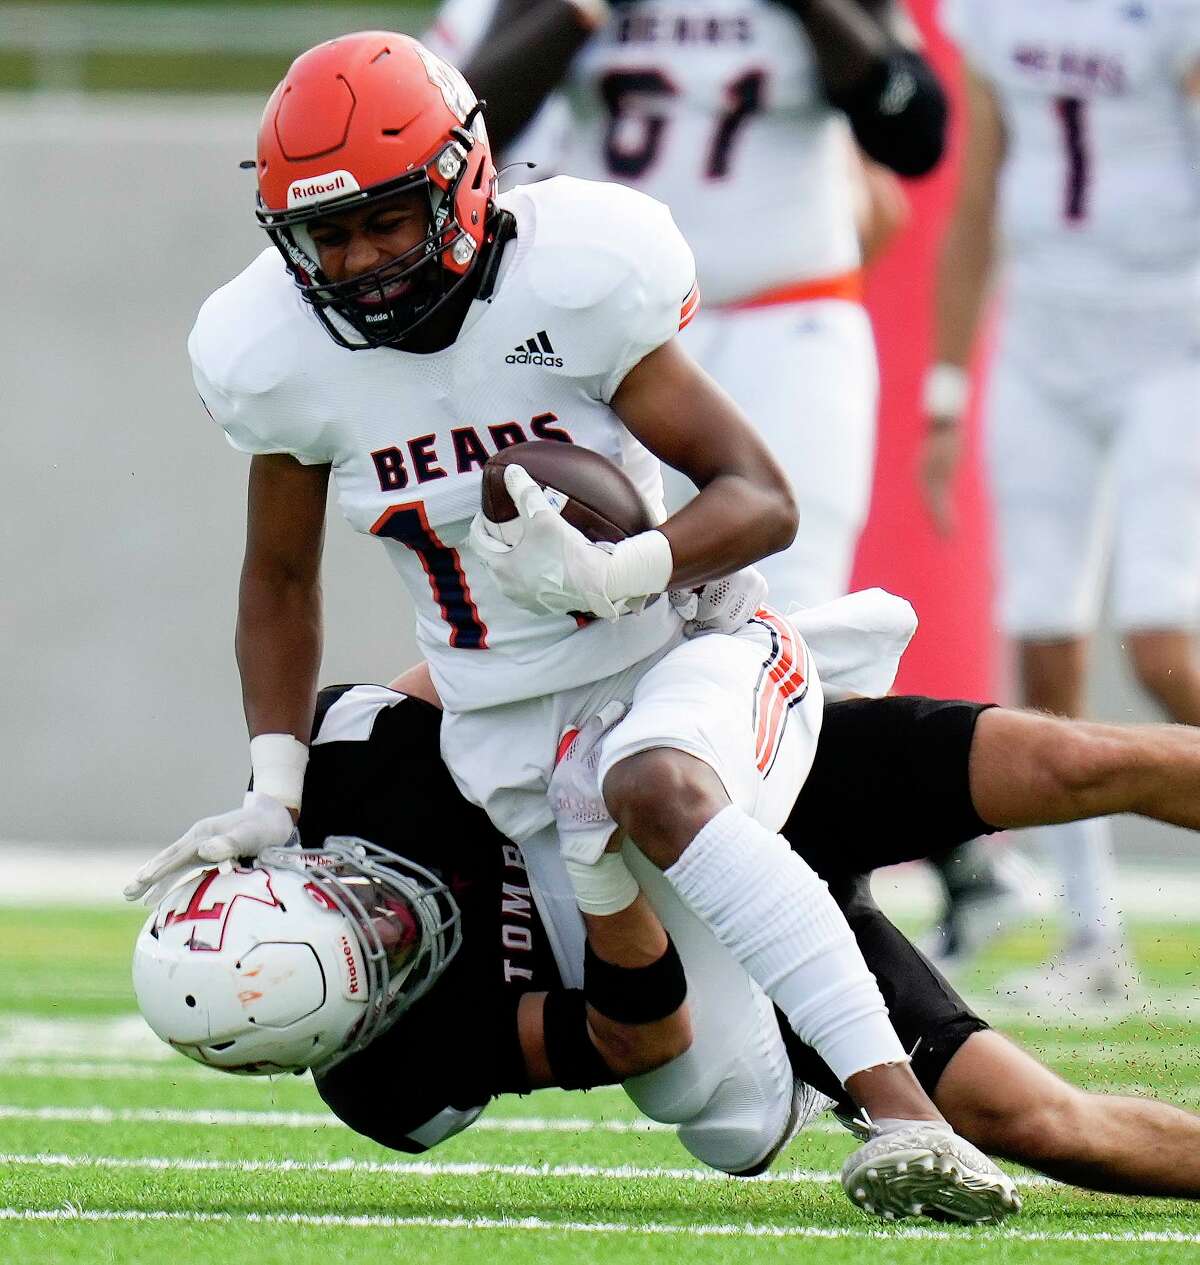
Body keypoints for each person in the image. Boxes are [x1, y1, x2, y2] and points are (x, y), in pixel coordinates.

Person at [123, 32, 1011, 1221]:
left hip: (669, 661)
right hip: (516, 750)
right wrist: (274, 785)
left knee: (687, 793)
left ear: (464, 180)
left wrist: (625, 569)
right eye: (327, 235)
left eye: (388, 219)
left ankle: (904, 1088)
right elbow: (279, 578)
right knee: (733, 1112)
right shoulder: (273, 353)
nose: (362, 258)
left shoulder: (578, 268)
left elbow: (759, 494)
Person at [133, 670, 1200, 1201]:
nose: (398, 934)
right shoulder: (390, 1084)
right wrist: (599, 870)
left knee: (1079, 762)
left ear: (295, 869)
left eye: (364, 916)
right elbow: (638, 1042)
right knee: (1034, 1123)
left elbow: (482, 666)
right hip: (703, 957)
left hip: (711, 782)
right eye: (381, 973)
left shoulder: (348, 758)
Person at [427, 0, 947, 610]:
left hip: (787, 326)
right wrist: (571, 16)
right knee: (598, 610)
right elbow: (453, 144)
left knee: (801, 616)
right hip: (612, 336)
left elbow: (916, 133)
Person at [918, 0, 1200, 1002]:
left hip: (1173, 337)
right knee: (1041, 639)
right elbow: (982, 190)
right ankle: (1091, 935)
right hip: (1041, 341)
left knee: (1162, 639)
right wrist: (946, 390)